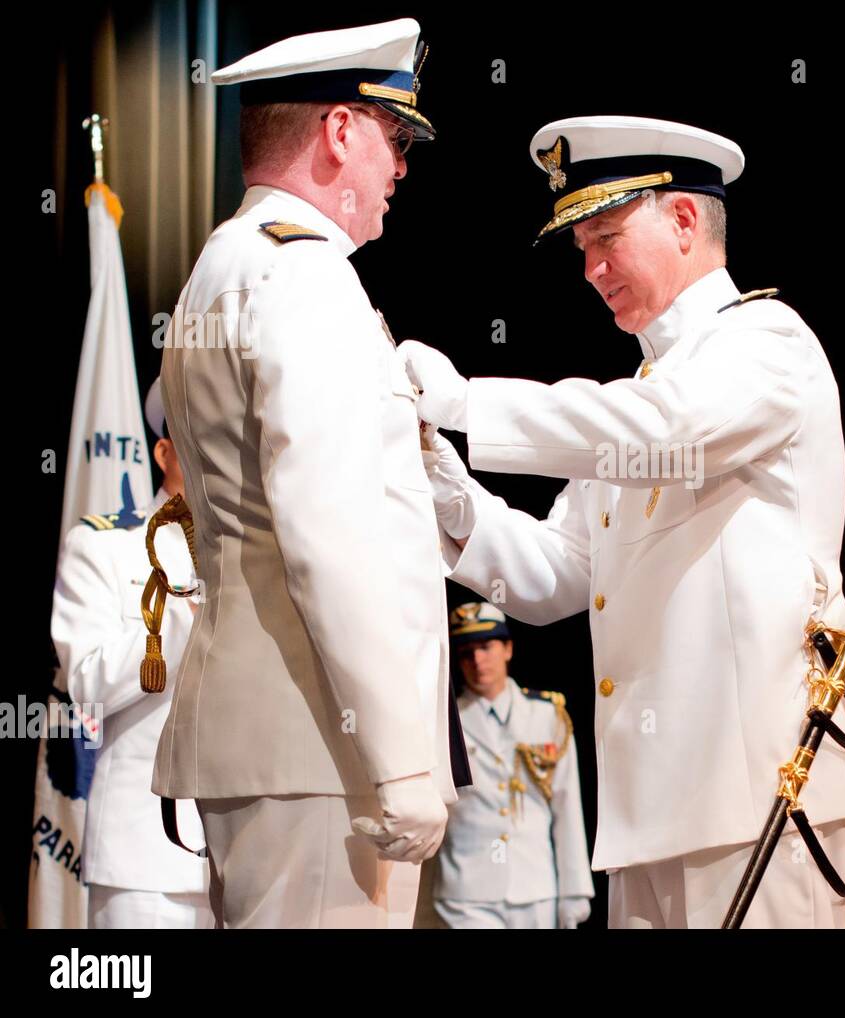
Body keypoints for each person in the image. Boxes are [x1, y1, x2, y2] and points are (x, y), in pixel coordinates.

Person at [403, 116, 845, 928]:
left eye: (605, 236)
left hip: (764, 789)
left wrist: (464, 399)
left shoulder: (766, 342)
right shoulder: (636, 400)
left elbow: (667, 430)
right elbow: (558, 571)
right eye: (581, 251)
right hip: (648, 808)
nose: (592, 270)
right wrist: (440, 479)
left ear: (683, 219)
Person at [151, 18, 468, 929]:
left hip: (278, 744)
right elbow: (330, 532)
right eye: (393, 139)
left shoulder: (226, 263)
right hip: (324, 751)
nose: (400, 168)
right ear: (339, 132)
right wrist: (400, 754)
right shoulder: (305, 276)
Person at [52, 379, 212, 929]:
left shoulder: (264, 555)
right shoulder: (106, 546)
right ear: (165, 452)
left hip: (251, 852)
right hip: (145, 860)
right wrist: (179, 618)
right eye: (198, 441)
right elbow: (85, 681)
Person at [418, 602, 594, 929]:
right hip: (466, 889)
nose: (477, 660)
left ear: (508, 648)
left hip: (536, 885)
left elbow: (567, 807)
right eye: (467, 651)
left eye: (486, 646)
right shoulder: (444, 724)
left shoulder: (547, 716)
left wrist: (575, 890)